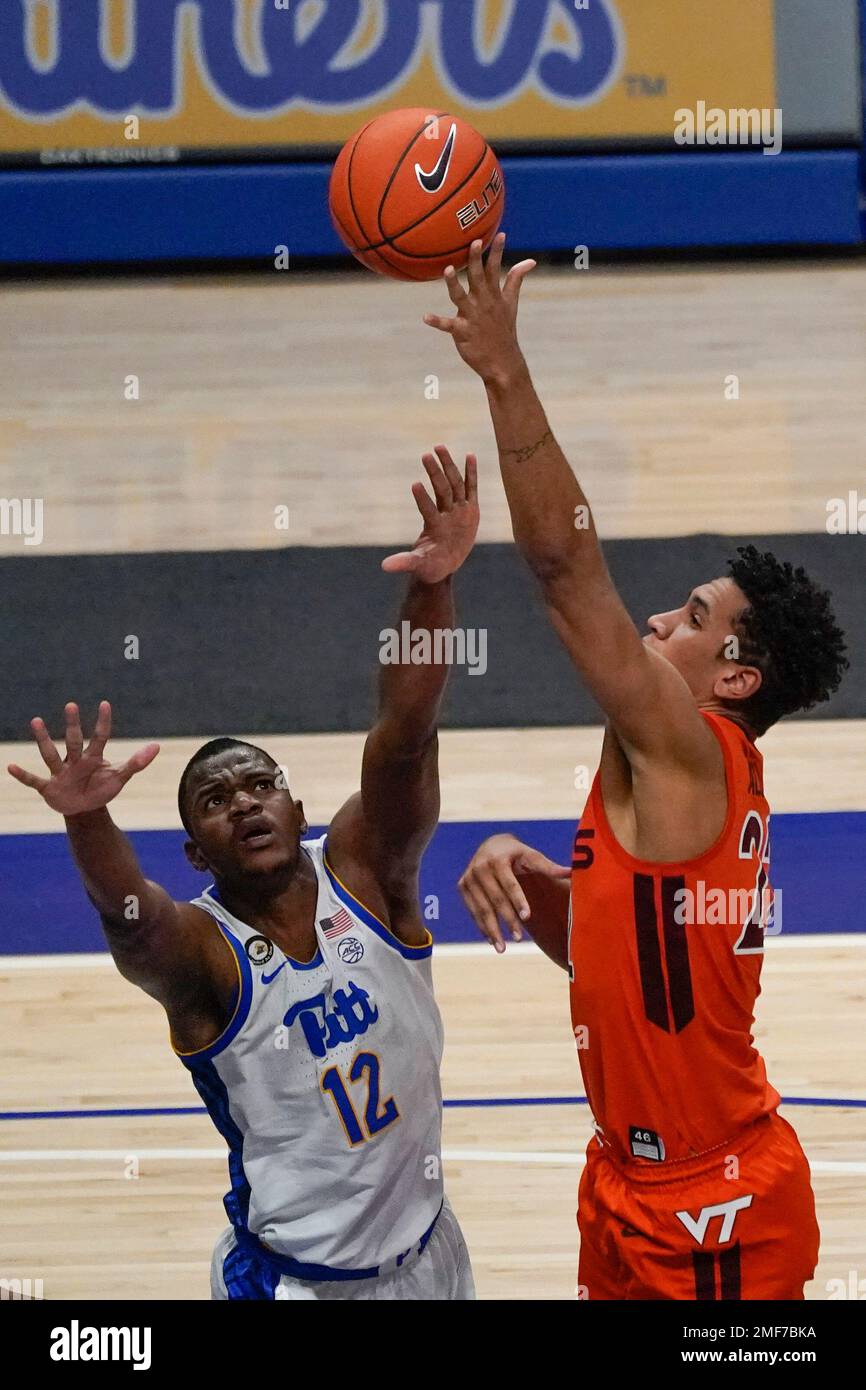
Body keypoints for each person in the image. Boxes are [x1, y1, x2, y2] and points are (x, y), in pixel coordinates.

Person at [428, 236, 848, 1299]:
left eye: (694, 619)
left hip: (710, 1212)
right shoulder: (678, 778)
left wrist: (504, 373)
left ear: (736, 678)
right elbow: (638, 971)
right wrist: (547, 896)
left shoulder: (692, 746)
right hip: (626, 1181)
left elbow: (566, 570)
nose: (660, 619)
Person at [8, 450, 480, 1302]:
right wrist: (87, 816)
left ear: (299, 812)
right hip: (300, 1286)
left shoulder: (368, 878)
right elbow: (130, 921)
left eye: (262, 784)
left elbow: (403, 735)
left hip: (430, 1258)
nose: (247, 804)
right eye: (217, 801)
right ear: (198, 853)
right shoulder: (206, 956)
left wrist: (434, 586)